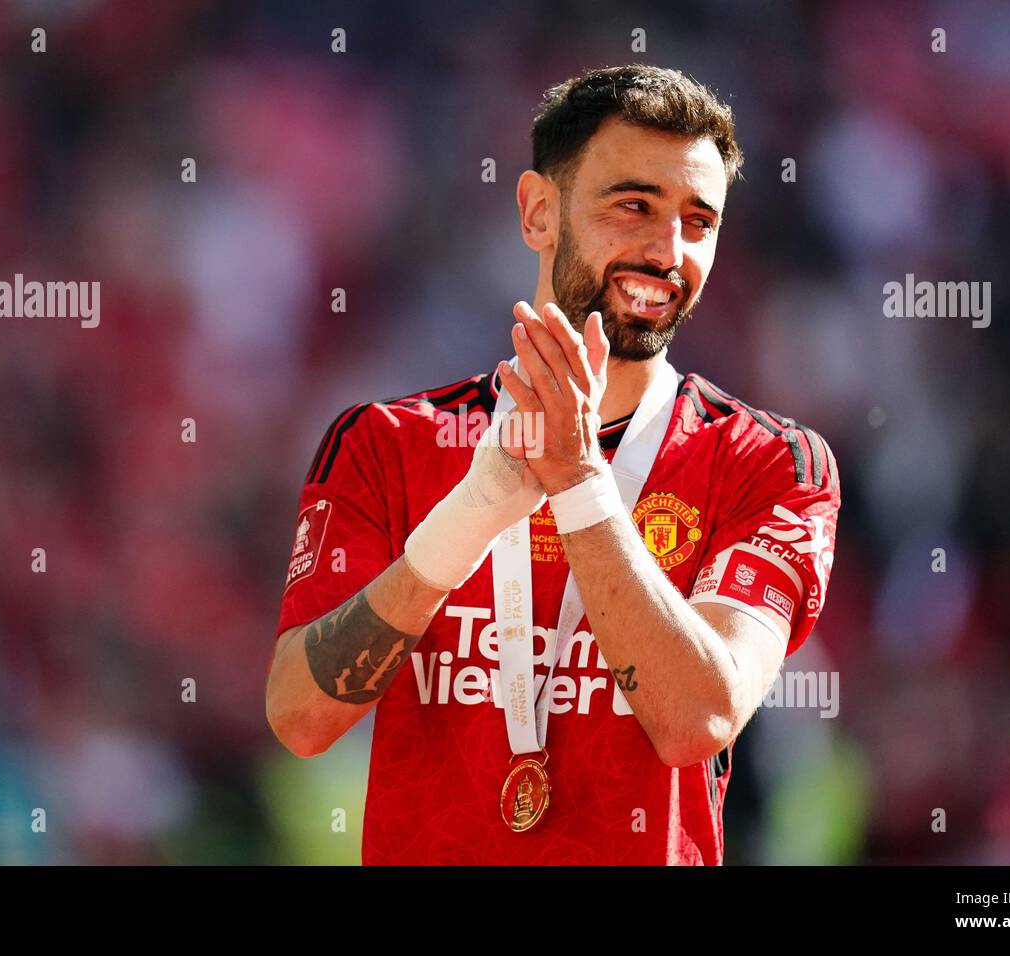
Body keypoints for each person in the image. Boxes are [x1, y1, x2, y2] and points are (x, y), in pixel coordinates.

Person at [266, 64, 840, 865]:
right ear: (539, 211)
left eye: (698, 221)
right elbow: (300, 716)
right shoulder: (387, 443)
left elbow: (696, 721)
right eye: (633, 205)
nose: (668, 251)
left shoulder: (771, 464)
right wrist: (466, 517)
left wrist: (580, 484)